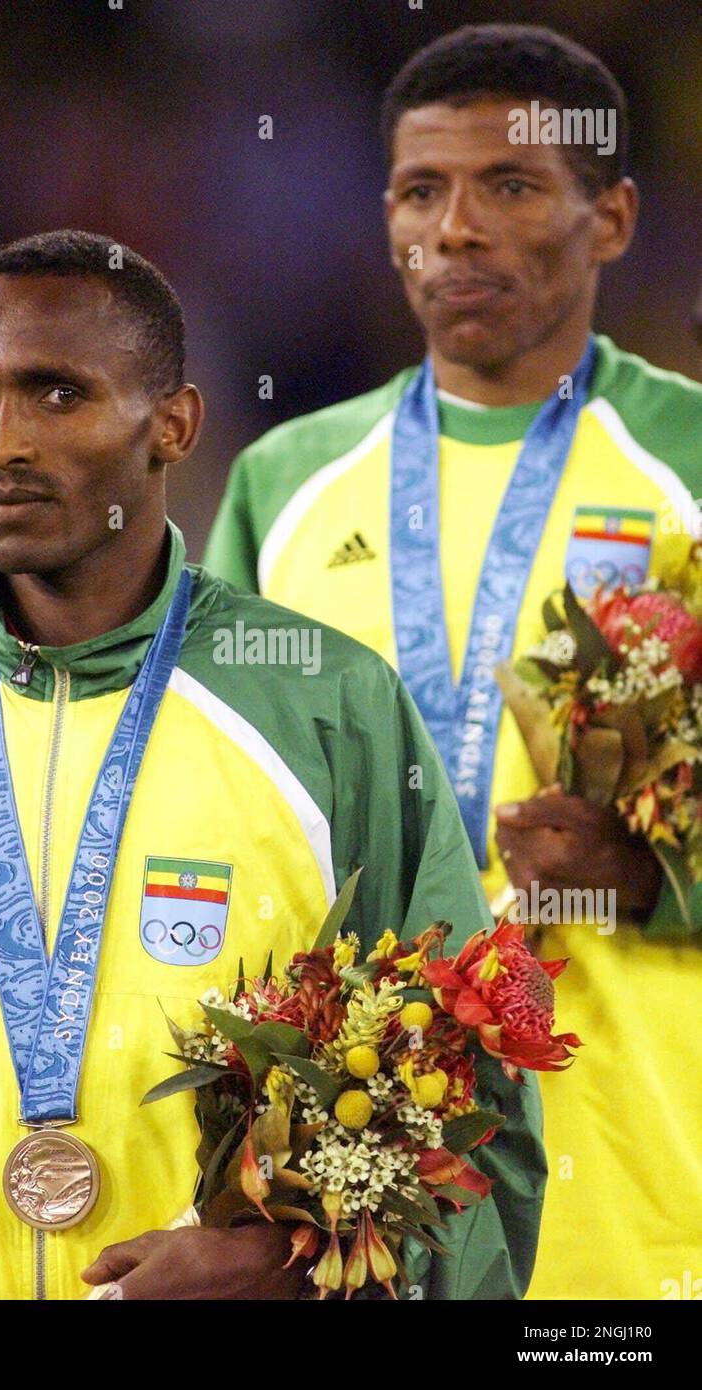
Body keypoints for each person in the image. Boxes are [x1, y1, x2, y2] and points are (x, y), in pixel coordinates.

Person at [0, 230, 544, 1301]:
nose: (1, 440)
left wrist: (295, 1271)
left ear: (173, 424)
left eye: (56, 394)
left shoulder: (326, 708)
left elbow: (476, 1119)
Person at [204, 26, 702, 1300]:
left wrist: (653, 873)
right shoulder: (285, 484)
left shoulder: (686, 465)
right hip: (361, 1208)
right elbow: (213, 813)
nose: (457, 229)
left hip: (651, 1198)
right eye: (422, 191)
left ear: (611, 218)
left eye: (511, 187)